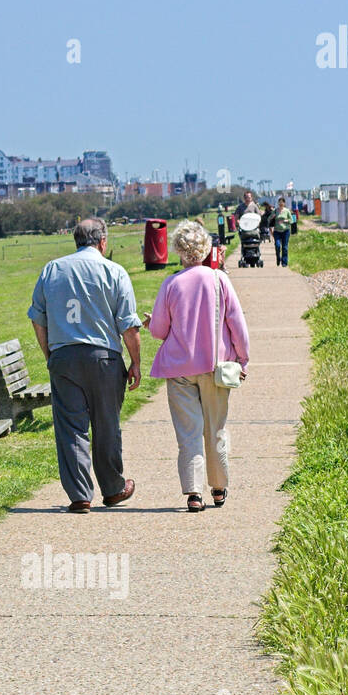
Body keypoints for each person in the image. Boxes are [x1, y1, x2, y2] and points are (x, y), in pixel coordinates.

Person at [28, 217, 141, 513]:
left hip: (64, 356)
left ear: (75, 240)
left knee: (71, 427)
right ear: (103, 241)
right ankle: (113, 488)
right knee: (107, 424)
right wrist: (136, 362)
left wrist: (50, 354)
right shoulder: (114, 271)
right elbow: (129, 325)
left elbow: (37, 318)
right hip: (104, 356)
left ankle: (80, 494)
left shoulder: (52, 269)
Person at [144, 220, 249, 513]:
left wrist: (152, 322)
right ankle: (218, 487)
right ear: (205, 250)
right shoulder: (219, 281)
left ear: (178, 250)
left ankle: (193, 492)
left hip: (179, 369)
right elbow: (237, 325)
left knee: (188, 432)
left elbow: (159, 331)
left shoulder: (171, 283)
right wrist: (243, 359)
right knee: (215, 429)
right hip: (215, 367)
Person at [273, 197, 293, 267]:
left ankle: (284, 262)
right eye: (279, 202)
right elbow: (269, 219)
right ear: (278, 203)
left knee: (285, 247)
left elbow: (291, 220)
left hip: (285, 231)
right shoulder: (275, 211)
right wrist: (272, 216)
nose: (281, 204)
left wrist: (284, 221)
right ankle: (278, 257)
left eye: (282, 202)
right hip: (277, 231)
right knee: (278, 245)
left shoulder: (287, 211)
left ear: (284, 203)